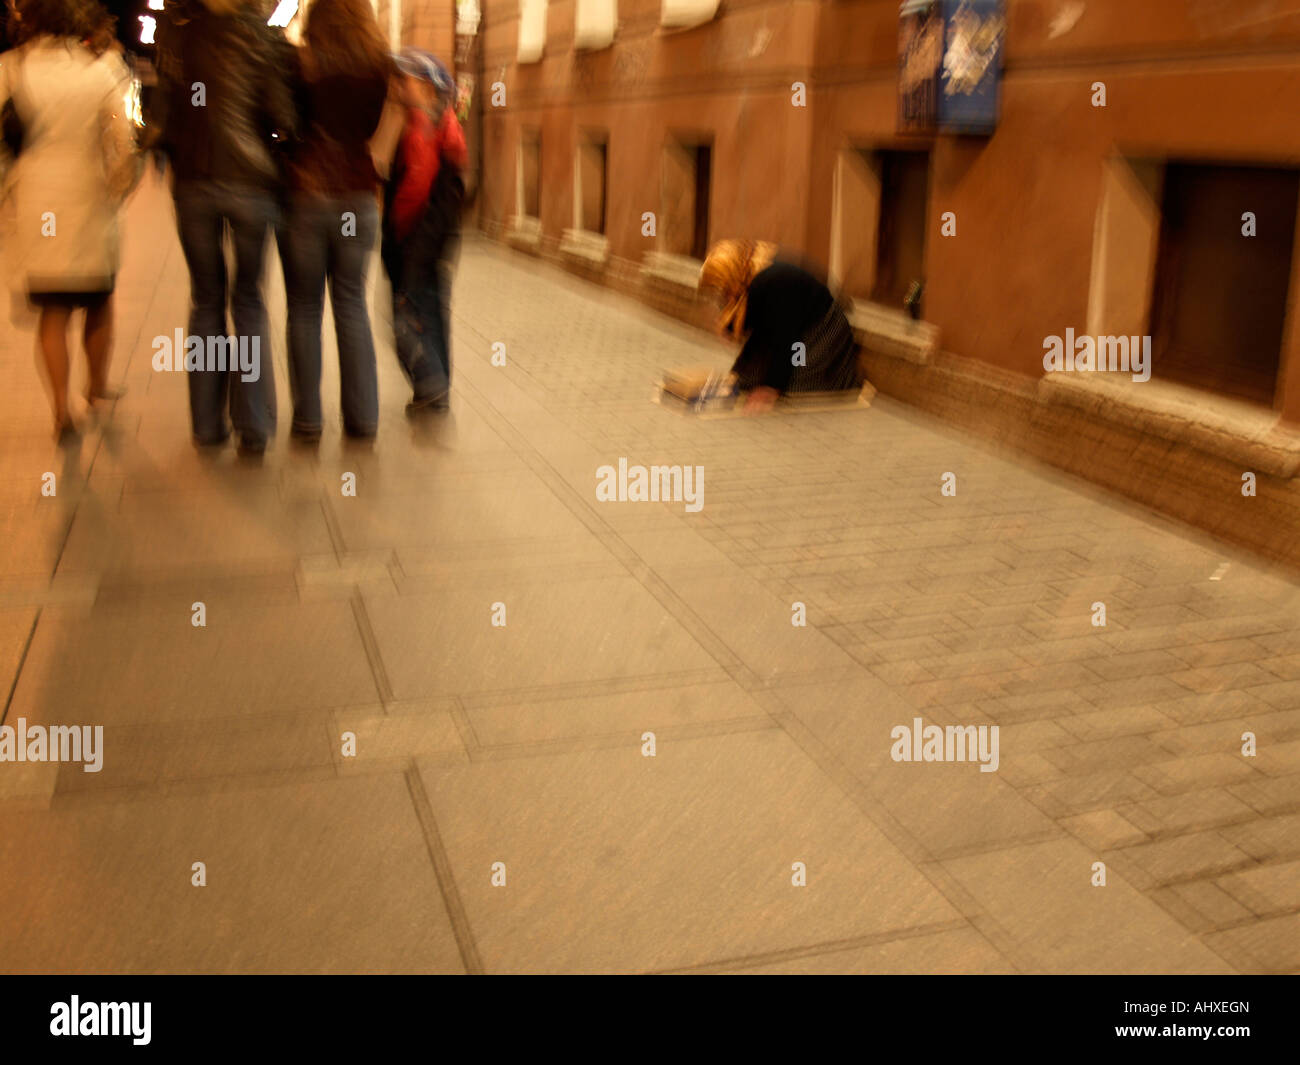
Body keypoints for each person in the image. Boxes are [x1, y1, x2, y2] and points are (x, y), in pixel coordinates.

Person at [147, 0, 297, 454]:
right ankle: (254, 426)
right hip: (253, 188)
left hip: (194, 186)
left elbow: (161, 113)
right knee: (249, 300)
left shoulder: (178, 33)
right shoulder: (265, 39)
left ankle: (208, 426)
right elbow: (284, 119)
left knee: (206, 300)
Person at [0, 0, 137, 441]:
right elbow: (122, 137)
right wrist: (118, 187)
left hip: (36, 200)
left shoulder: (10, 68)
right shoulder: (102, 70)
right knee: (98, 302)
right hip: (88, 198)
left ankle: (61, 410)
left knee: (53, 311)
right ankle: (96, 388)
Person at [277, 0, 390, 441]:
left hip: (308, 197)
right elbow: (378, 133)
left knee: (304, 309)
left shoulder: (302, 62)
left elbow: (285, 123)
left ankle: (307, 421)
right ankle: (362, 420)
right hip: (357, 199)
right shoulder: (379, 65)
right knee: (351, 305)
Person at [381, 48, 467, 413]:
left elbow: (420, 194)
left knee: (408, 319)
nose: (401, 88)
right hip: (428, 246)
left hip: (418, 244)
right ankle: (436, 393)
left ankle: (431, 385)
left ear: (430, 89)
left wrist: (405, 246)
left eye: (408, 82)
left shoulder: (428, 131)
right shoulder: (433, 126)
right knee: (432, 316)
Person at [698, 240, 864, 414]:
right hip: (794, 328)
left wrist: (771, 387)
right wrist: (737, 374)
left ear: (732, 275)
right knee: (749, 379)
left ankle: (833, 378)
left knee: (796, 382)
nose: (724, 297)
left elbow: (787, 338)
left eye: (724, 290)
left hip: (819, 327)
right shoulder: (751, 273)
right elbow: (760, 330)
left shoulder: (770, 281)